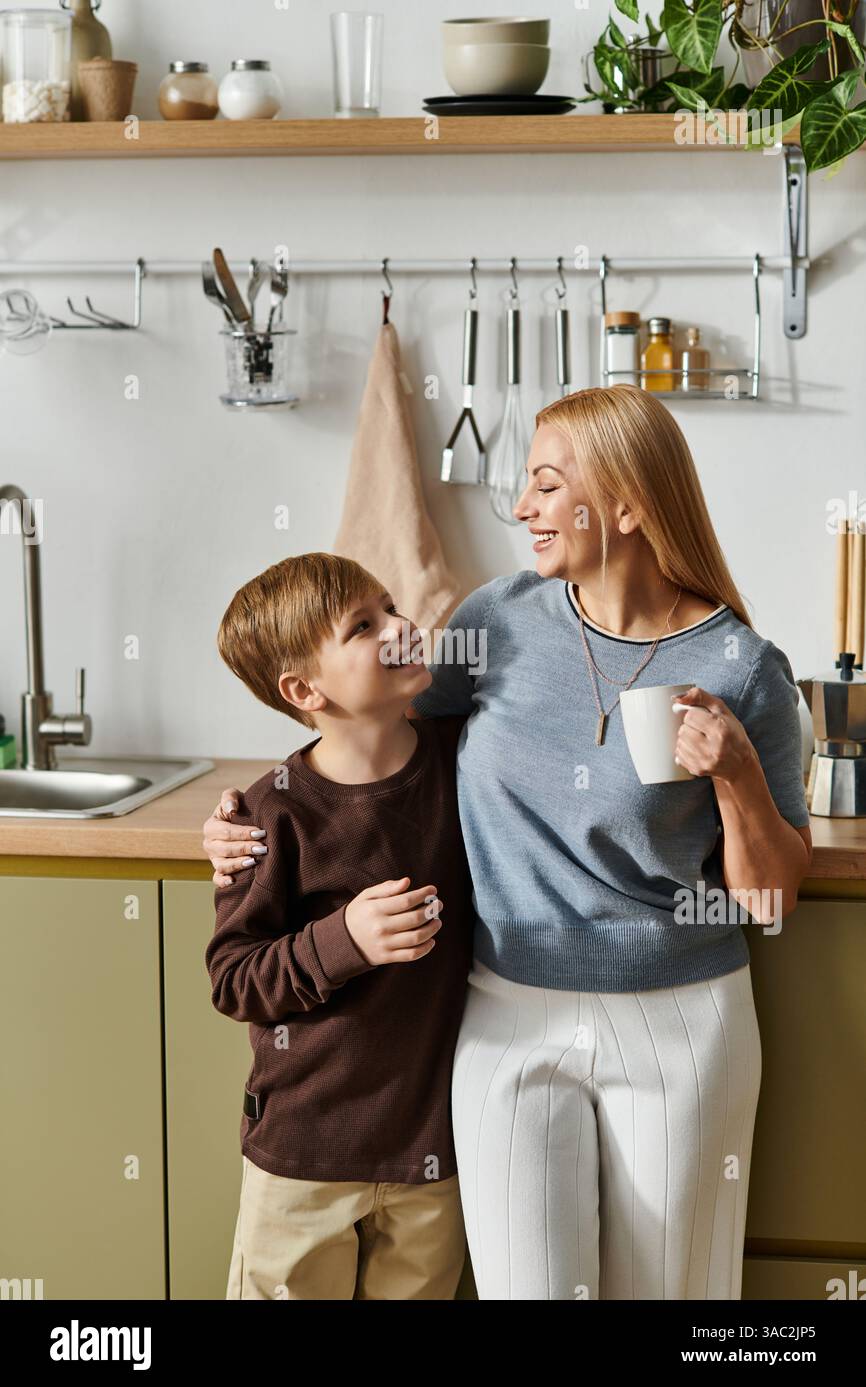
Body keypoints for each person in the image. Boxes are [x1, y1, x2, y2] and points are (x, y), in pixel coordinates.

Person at [203, 384, 812, 1300]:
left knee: (674, 1294)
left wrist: (734, 773)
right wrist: (256, 811)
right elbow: (372, 734)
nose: (521, 507)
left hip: (680, 1018)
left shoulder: (745, 668)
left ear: (625, 505)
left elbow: (769, 896)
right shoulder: (498, 620)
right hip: (501, 1011)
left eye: (544, 484)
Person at [206, 551, 475, 1299]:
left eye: (390, 605)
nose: (401, 625)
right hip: (302, 1158)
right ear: (303, 689)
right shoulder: (272, 813)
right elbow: (234, 978)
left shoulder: (465, 764)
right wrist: (344, 940)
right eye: (365, 625)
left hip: (430, 1158)